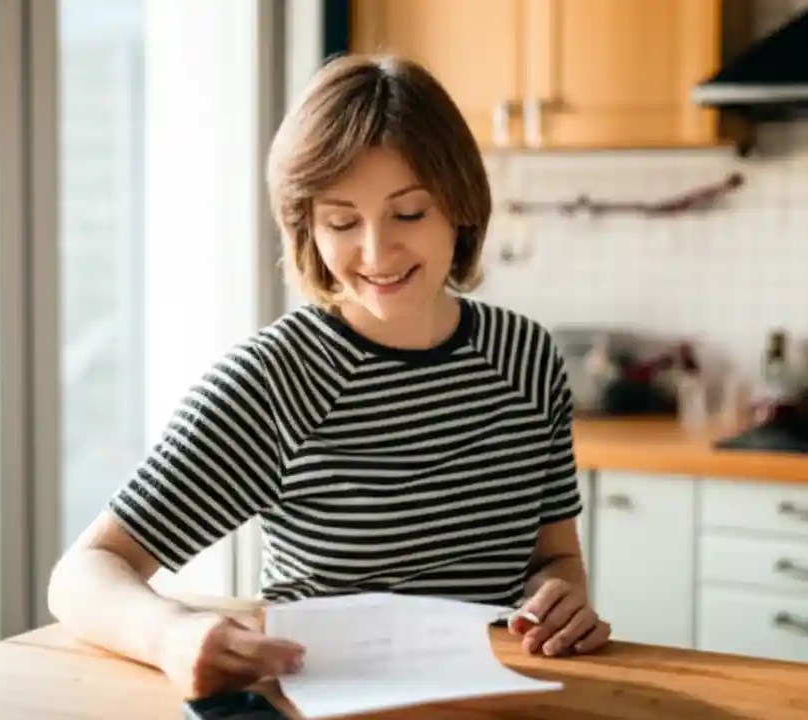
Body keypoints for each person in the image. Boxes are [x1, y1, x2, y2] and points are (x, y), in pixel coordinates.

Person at [47, 53, 611, 699]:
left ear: (459, 207)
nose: (376, 252)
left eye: (409, 213)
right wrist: (171, 635)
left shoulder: (526, 359)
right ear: (308, 228)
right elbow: (84, 572)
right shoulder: (275, 381)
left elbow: (554, 557)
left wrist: (559, 595)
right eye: (342, 222)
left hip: (492, 702)